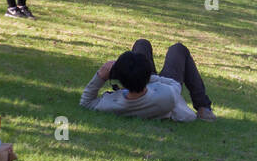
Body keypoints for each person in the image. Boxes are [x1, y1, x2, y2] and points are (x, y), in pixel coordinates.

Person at [81, 39, 218, 122]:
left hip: (139, 85)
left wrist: (100, 76)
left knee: (142, 44)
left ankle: (136, 72)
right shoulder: (167, 96)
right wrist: (147, 77)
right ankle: (203, 107)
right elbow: (174, 84)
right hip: (159, 86)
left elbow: (86, 101)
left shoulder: (110, 104)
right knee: (177, 49)